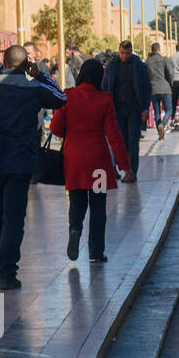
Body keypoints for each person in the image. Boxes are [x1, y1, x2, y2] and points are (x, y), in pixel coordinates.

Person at [0, 44, 67, 290]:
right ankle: (8, 272)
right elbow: (61, 98)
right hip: (20, 162)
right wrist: (40, 75)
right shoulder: (34, 88)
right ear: (25, 64)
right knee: (14, 217)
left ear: (3, 64)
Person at [51, 59, 132, 264]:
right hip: (98, 160)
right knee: (98, 206)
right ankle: (96, 252)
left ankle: (75, 229)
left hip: (75, 160)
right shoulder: (105, 100)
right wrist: (124, 166)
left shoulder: (67, 96)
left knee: (77, 200)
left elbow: (55, 128)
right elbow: (114, 135)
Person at [101, 40, 151, 181]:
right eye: (123, 53)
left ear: (131, 51)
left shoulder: (139, 66)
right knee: (120, 141)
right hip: (117, 109)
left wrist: (145, 108)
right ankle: (122, 168)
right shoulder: (112, 66)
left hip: (134, 109)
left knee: (133, 141)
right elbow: (105, 86)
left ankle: (132, 171)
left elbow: (146, 88)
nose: (125, 56)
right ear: (119, 51)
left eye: (128, 53)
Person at [145, 42, 173, 140]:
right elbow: (170, 73)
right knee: (169, 110)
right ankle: (163, 124)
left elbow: (145, 77)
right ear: (159, 50)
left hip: (153, 89)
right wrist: (171, 83)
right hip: (165, 88)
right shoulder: (164, 59)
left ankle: (159, 131)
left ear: (151, 50)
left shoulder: (147, 62)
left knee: (156, 111)